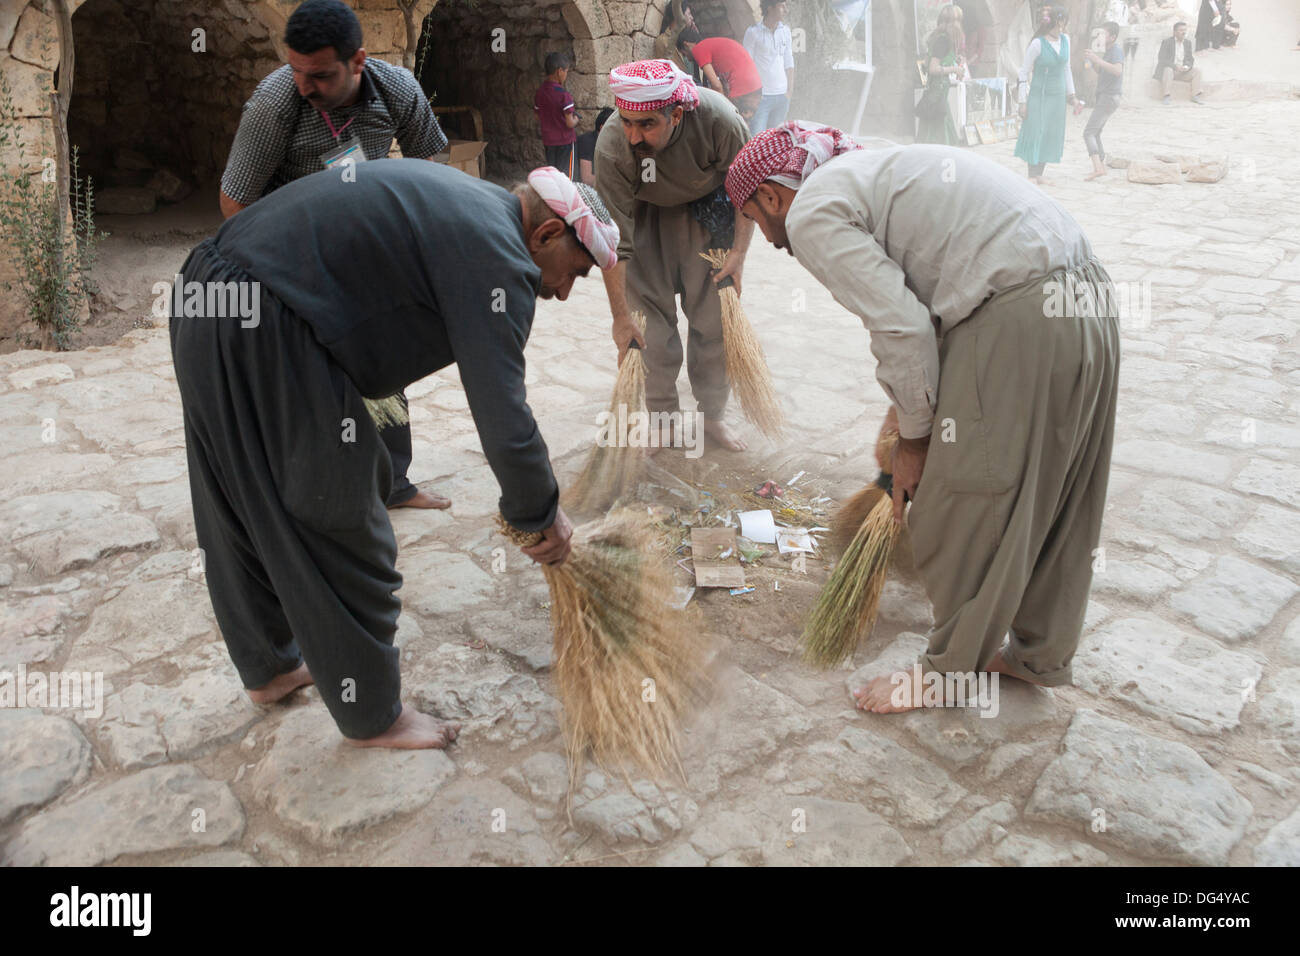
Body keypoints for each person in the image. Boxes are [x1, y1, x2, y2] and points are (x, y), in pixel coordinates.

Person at [172, 160, 619, 747]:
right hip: (267, 324)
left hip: (205, 293)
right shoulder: (501, 261)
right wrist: (538, 514)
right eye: (575, 274)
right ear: (546, 235)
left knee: (237, 499)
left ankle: (270, 668)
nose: (562, 291)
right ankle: (375, 716)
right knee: (343, 516)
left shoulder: (475, 209)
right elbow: (502, 411)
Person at [726, 123, 1120, 712]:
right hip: (1087, 297)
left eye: (755, 218)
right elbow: (927, 306)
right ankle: (1036, 656)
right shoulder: (874, 169)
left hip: (1022, 313)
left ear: (773, 195)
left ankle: (946, 674)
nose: (766, 235)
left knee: (964, 501)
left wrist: (914, 443)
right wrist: (906, 411)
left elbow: (902, 327)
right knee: (1057, 490)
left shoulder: (810, 212)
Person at [219, 0, 451, 512]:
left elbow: (432, 173)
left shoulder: (398, 92)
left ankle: (394, 484)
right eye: (296, 70)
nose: (305, 85)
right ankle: (305, 494)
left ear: (358, 61)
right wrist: (267, 281)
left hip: (368, 248)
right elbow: (236, 199)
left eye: (320, 75)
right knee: (304, 376)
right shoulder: (275, 104)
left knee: (385, 365)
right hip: (291, 257)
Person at [594, 59, 754, 453]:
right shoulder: (612, 146)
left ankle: (712, 417)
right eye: (627, 122)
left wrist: (738, 253)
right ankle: (663, 419)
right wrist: (620, 316)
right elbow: (615, 240)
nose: (634, 136)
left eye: (647, 124)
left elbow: (747, 188)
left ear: (677, 114)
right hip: (644, 220)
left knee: (713, 322)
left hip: (707, 217)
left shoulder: (720, 120)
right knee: (650, 327)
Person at [1014, 5, 1078, 184]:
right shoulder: (1037, 44)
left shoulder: (1066, 40)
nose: (1063, 26)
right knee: (1036, 130)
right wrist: (1022, 102)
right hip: (1039, 95)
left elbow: (1067, 69)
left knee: (1051, 132)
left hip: (1057, 96)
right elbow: (1023, 73)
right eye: (1061, 21)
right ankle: (1031, 174)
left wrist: (1071, 95)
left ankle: (1040, 172)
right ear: (1056, 21)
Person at [677, 29, 764, 123]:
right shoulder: (710, 45)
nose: (688, 59)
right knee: (746, 127)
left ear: (686, 45)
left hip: (742, 88)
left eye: (684, 54)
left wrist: (723, 110)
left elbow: (717, 86)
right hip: (755, 85)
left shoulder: (699, 49)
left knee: (731, 123)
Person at [743, 0, 796, 134]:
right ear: (770, 8)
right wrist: (753, 95)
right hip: (762, 97)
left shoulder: (786, 31)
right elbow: (747, 65)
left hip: (782, 97)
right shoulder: (753, 32)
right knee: (757, 138)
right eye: (782, 6)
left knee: (775, 140)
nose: (785, 9)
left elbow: (789, 62)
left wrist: (789, 92)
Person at [1082, 21, 1125, 180]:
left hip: (1109, 96)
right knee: (1096, 132)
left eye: (1103, 33)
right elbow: (1101, 71)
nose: (1100, 36)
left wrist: (1097, 59)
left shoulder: (1116, 50)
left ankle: (1098, 168)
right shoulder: (1108, 51)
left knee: (1088, 133)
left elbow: (1117, 71)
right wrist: (1091, 61)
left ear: (1112, 37)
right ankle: (1100, 166)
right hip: (1106, 96)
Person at [916, 6, 964, 145]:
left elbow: (926, 62)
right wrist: (955, 68)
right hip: (937, 92)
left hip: (938, 91)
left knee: (935, 127)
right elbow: (932, 68)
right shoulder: (943, 40)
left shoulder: (939, 38)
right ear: (954, 22)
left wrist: (953, 59)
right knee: (937, 130)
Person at [535, 51, 579, 178]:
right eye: (566, 71)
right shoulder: (563, 95)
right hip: (565, 141)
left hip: (549, 141)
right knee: (567, 177)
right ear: (560, 71)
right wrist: (576, 118)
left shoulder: (540, 92)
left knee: (553, 177)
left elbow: (537, 116)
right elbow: (570, 123)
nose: (566, 75)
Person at [1154, 21, 1204, 105]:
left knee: (1197, 71)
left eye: (1185, 30)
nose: (1184, 32)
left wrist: (1187, 66)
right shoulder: (1167, 42)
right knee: (1168, 69)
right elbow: (1161, 59)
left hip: (1182, 72)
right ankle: (1166, 96)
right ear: (1174, 32)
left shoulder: (1188, 43)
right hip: (1170, 71)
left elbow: (1190, 59)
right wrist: (1175, 66)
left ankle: (1195, 96)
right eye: (1181, 30)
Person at [654, 0, 697, 76]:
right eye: (689, 14)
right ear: (678, 15)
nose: (692, 17)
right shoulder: (663, 41)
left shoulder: (690, 37)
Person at [576, 107, 615, 185]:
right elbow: (586, 178)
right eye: (614, 127)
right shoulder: (587, 142)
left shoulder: (611, 142)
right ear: (602, 128)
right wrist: (614, 182)